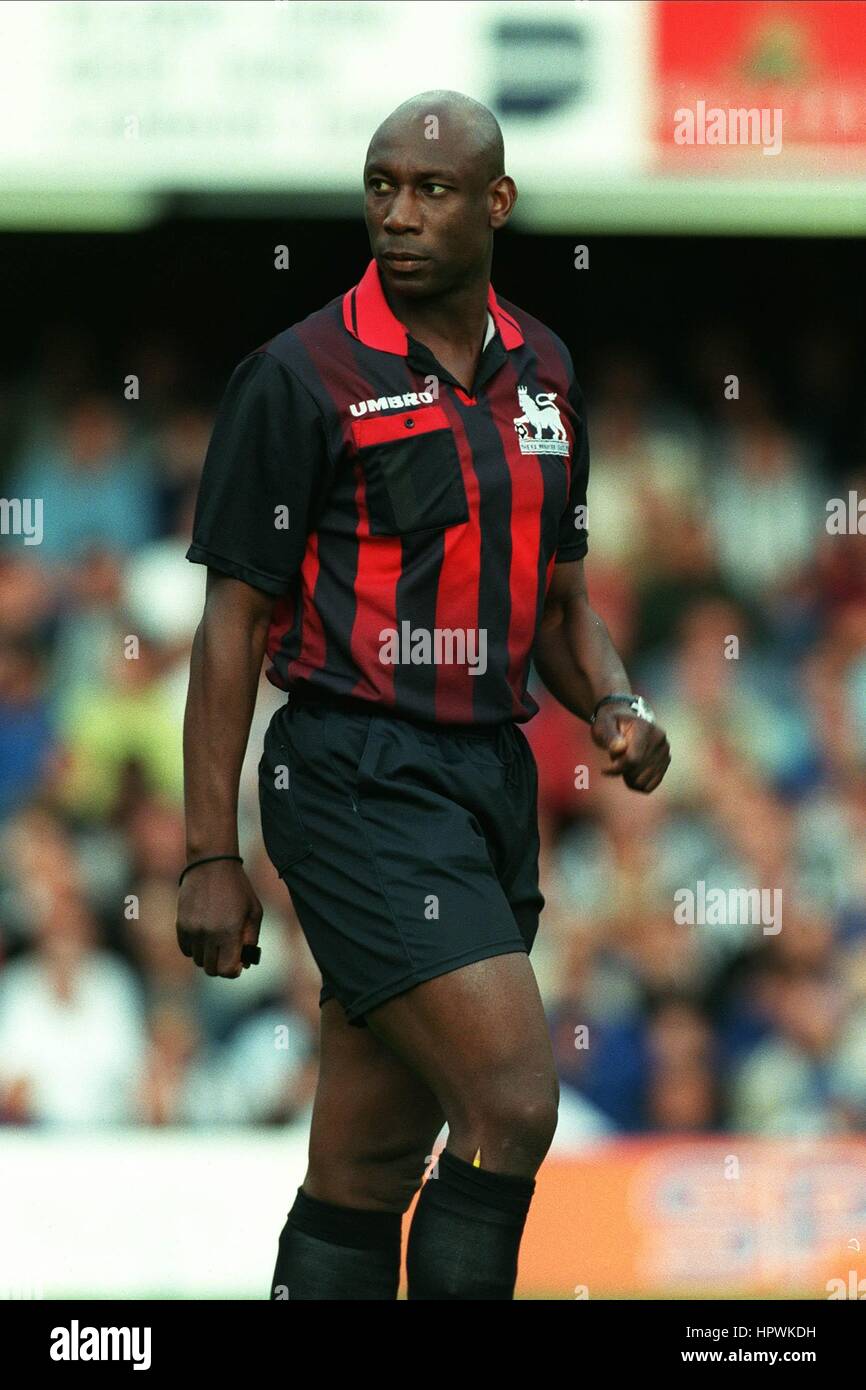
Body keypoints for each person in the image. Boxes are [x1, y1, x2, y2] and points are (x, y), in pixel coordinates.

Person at [176, 89, 670, 1300]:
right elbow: (230, 623)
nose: (396, 215)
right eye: (380, 186)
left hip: (486, 783)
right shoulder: (294, 378)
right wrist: (206, 856)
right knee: (510, 1101)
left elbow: (558, 602)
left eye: (429, 190)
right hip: (352, 775)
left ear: (495, 204)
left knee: (368, 1155)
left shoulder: (545, 368)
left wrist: (611, 703)